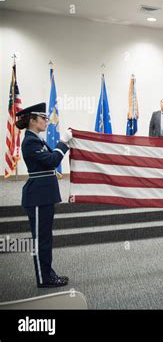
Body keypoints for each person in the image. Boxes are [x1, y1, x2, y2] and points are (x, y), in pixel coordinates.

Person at [15, 102, 73, 288]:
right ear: (32, 120)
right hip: (38, 197)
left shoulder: (36, 140)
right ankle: (44, 278)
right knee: (41, 240)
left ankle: (48, 274)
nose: (46, 122)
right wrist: (63, 143)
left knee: (45, 237)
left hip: (44, 195)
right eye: (43, 118)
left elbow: (48, 163)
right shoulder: (30, 141)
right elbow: (51, 160)